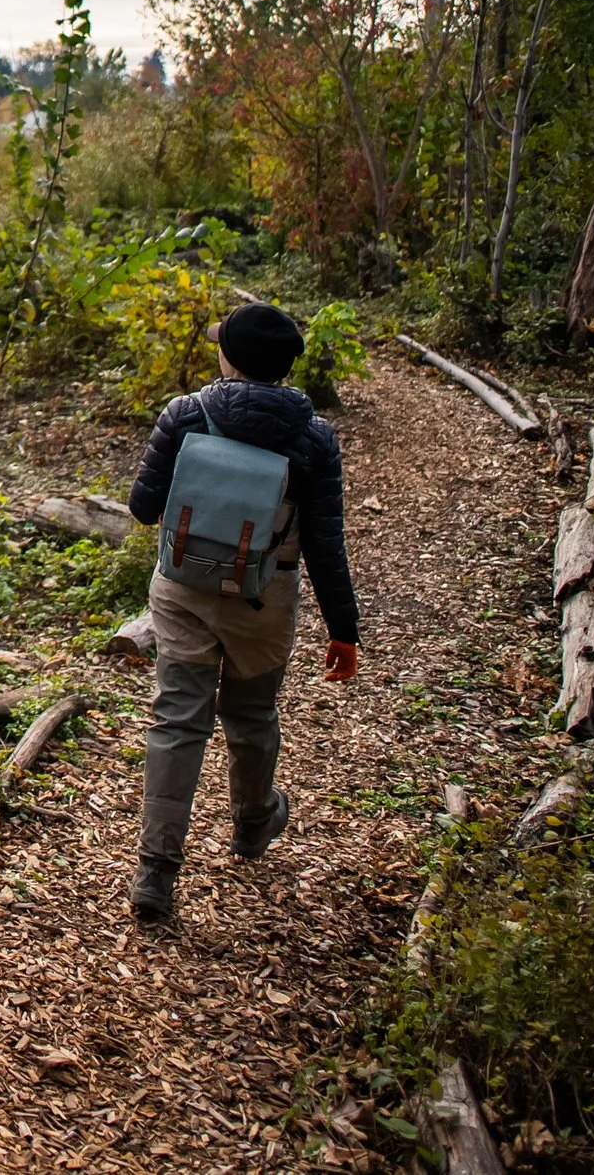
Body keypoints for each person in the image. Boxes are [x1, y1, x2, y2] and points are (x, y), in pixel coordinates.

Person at [122, 302, 360, 924]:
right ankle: (254, 824)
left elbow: (144, 509)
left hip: (182, 592)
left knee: (177, 720)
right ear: (282, 367)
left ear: (228, 356)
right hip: (264, 598)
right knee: (251, 715)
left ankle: (156, 873)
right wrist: (344, 630)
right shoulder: (314, 437)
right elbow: (324, 543)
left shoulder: (187, 413)